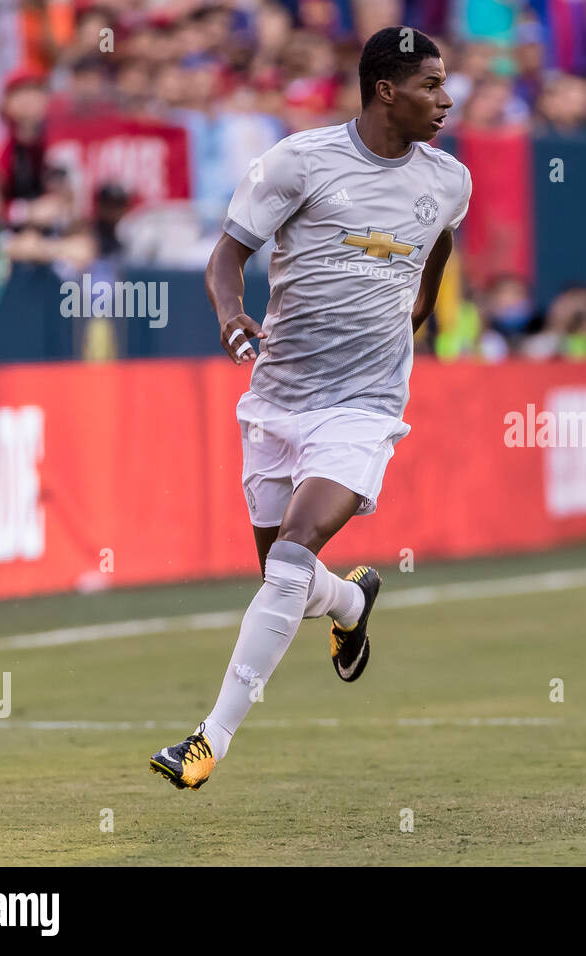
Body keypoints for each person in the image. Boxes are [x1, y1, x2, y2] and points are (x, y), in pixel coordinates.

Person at [149, 26, 471, 791]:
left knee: (292, 555)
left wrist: (408, 324)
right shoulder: (299, 162)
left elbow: (436, 252)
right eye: (431, 85)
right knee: (284, 577)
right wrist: (230, 315)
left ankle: (208, 739)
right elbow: (227, 256)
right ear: (386, 90)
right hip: (277, 400)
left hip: (364, 405)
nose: (446, 100)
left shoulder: (448, 180)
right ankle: (350, 601)